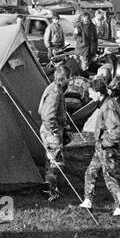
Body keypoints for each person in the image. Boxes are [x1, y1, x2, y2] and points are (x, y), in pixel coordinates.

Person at [81, 78, 120, 216]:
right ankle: (88, 200)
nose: (89, 95)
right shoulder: (105, 103)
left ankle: (119, 207)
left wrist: (106, 144)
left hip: (107, 148)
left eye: (91, 92)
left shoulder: (109, 106)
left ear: (98, 93)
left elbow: (116, 130)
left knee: (109, 177)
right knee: (91, 172)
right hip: (101, 146)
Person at [39, 66, 69, 202]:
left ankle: (50, 188)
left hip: (49, 130)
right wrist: (55, 130)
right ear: (63, 78)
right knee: (56, 162)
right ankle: (51, 192)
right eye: (68, 77)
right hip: (51, 131)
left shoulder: (52, 88)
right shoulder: (55, 92)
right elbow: (48, 116)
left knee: (51, 160)